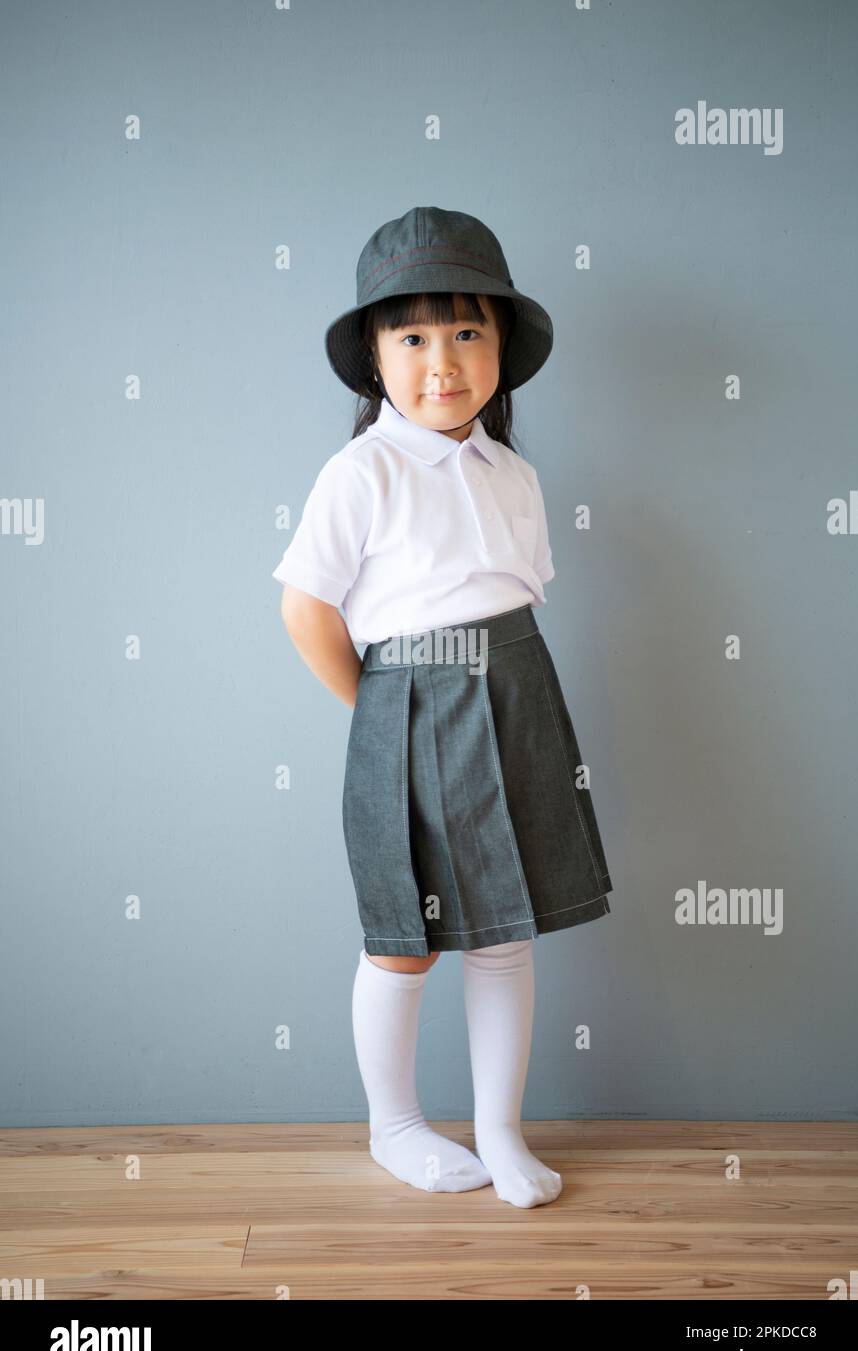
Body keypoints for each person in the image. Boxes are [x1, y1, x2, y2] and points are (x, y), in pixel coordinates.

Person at [272, 207, 613, 1208]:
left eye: (468, 331)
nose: (443, 361)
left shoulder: (517, 477)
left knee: (507, 930)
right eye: (413, 336)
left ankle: (502, 1130)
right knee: (404, 937)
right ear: (374, 357)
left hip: (517, 699)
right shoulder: (361, 472)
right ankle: (396, 1126)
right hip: (408, 711)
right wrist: (382, 716)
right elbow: (304, 610)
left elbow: (516, 609)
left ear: (501, 345)